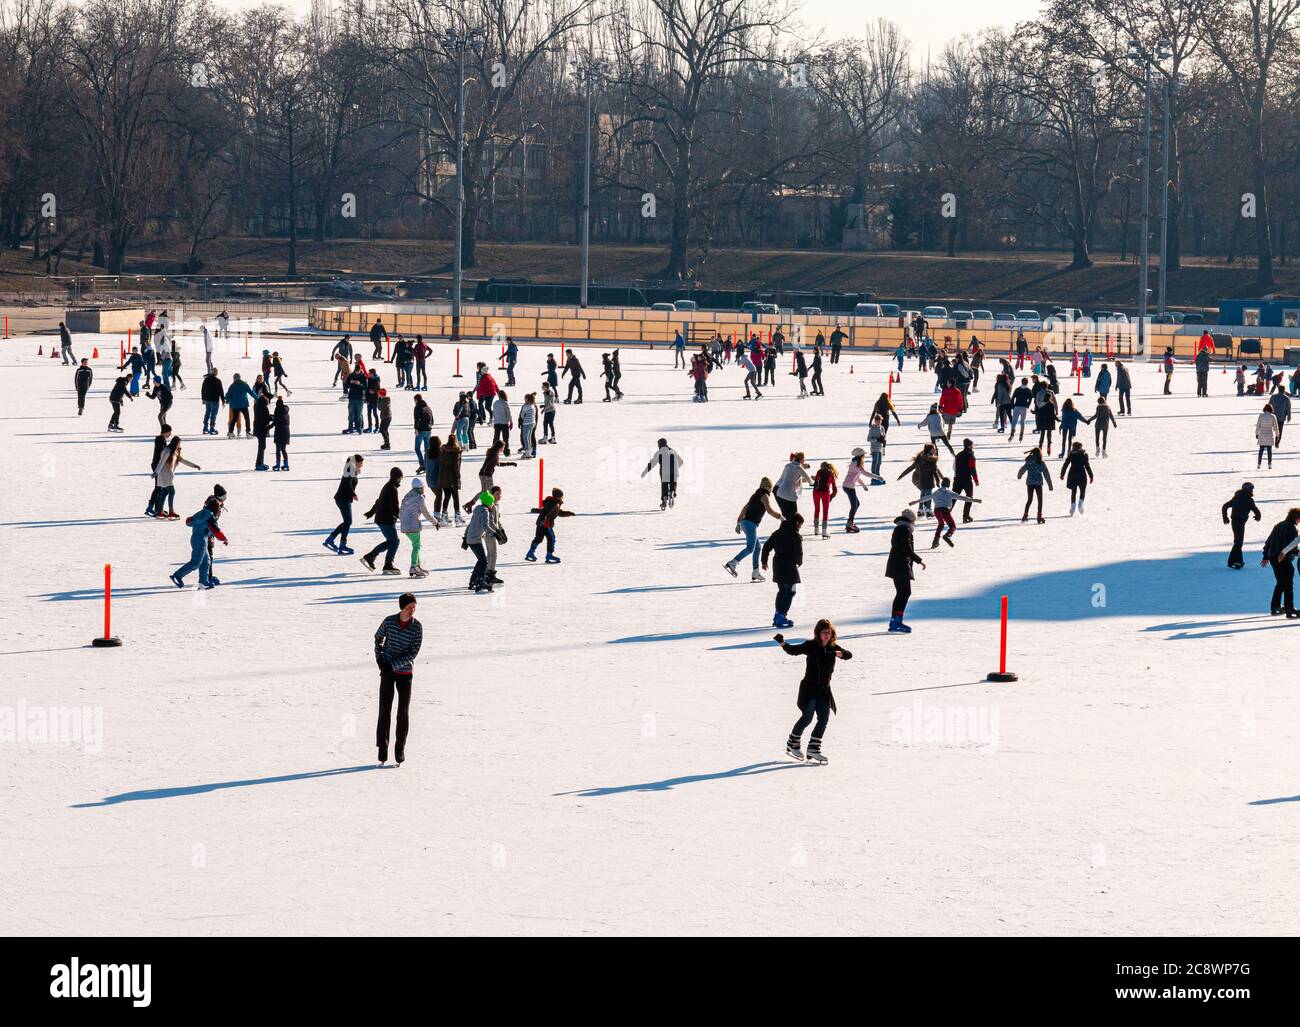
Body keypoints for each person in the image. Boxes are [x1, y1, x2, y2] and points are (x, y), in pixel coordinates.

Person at [775, 619, 852, 765]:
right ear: (818, 633)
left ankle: (813, 749)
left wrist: (841, 653)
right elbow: (794, 651)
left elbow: (849, 655)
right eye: (824, 632)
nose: (826, 635)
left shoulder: (833, 647)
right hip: (809, 689)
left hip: (824, 690)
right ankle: (793, 743)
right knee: (807, 717)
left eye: (829, 632)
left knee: (823, 718)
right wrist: (783, 643)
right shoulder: (811, 645)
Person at [374, 593, 423, 765]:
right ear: (402, 607)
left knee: (403, 712)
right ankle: (383, 746)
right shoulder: (388, 622)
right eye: (409, 607)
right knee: (384, 709)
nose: (412, 610)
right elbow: (378, 638)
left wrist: (392, 665)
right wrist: (379, 659)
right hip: (387, 672)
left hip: (404, 674)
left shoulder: (417, 627)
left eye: (414, 607)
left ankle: (400, 747)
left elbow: (413, 653)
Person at [726, 477, 783, 580]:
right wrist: (780, 517)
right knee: (750, 548)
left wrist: (739, 523)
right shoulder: (765, 496)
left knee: (757, 547)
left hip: (745, 523)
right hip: (750, 524)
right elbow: (769, 510)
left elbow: (745, 507)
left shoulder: (755, 495)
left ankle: (755, 572)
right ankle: (733, 563)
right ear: (768, 487)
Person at [170, 496, 227, 590]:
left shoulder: (201, 513)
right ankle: (177, 575)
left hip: (195, 538)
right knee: (196, 562)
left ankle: (203, 582)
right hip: (201, 540)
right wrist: (224, 538)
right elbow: (215, 530)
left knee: (206, 561)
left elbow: (188, 521)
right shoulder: (210, 517)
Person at [761, 513, 804, 629]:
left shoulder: (777, 533)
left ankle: (778, 616)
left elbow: (766, 547)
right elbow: (798, 552)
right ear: (797, 523)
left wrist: (764, 561)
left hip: (777, 564)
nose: (800, 527)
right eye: (800, 525)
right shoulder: (795, 536)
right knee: (790, 591)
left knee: (782, 591)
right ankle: (781, 616)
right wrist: (799, 562)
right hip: (789, 565)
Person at [885, 508, 924, 633]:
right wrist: (919, 560)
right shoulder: (904, 529)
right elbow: (906, 549)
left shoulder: (900, 528)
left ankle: (895, 621)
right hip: (900, 565)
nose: (915, 523)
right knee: (904, 592)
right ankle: (896, 621)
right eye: (914, 520)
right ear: (910, 519)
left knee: (902, 593)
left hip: (898, 565)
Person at [361, 467, 405, 575]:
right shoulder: (392, 489)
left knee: (391, 541)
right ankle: (388, 564)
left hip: (381, 519)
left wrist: (371, 512)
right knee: (395, 542)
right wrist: (403, 518)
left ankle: (370, 556)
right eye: (400, 478)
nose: (401, 480)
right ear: (397, 478)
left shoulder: (387, 486)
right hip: (386, 520)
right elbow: (394, 507)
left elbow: (378, 501)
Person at [1262, 508, 1300, 617]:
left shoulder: (1279, 525)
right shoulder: (1291, 528)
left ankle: (1275, 606)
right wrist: (1298, 554)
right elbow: (1291, 546)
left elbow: (1269, 541)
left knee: (1280, 583)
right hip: (1283, 559)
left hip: (1273, 558)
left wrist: (1265, 556)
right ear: (1297, 518)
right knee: (1288, 584)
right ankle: (1289, 609)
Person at [399, 477, 439, 578]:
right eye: (423, 488)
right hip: (412, 526)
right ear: (420, 488)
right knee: (416, 546)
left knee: (416, 545)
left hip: (404, 526)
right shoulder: (419, 498)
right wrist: (435, 522)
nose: (424, 489)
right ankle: (413, 566)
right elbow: (425, 513)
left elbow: (400, 512)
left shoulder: (407, 496)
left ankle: (417, 566)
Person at [324, 455, 364, 555]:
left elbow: (349, 483)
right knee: (348, 521)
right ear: (356, 462)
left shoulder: (351, 470)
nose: (362, 465)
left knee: (347, 522)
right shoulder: (350, 470)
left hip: (343, 499)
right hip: (343, 499)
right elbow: (347, 484)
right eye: (361, 463)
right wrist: (353, 494)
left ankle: (331, 539)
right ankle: (342, 545)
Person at [153, 437, 200, 519]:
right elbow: (161, 462)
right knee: (172, 491)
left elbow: (183, 460)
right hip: (164, 474)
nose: (179, 445)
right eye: (179, 443)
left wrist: (194, 466)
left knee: (164, 492)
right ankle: (171, 511)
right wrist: (156, 472)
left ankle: (159, 511)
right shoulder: (167, 451)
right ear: (175, 443)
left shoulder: (175, 452)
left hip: (168, 475)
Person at [465, 440, 516, 514]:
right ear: (500, 447)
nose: (503, 449)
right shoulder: (494, 454)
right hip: (486, 475)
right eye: (503, 447)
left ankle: (470, 504)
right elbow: (486, 463)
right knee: (492, 492)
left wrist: (511, 463)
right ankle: (493, 509)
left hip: (484, 474)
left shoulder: (495, 453)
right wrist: (485, 474)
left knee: (484, 492)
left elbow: (498, 464)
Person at [526, 487, 574, 563]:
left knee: (538, 538)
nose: (562, 498)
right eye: (562, 496)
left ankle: (530, 553)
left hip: (540, 523)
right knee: (551, 539)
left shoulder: (552, 502)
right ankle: (549, 555)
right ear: (559, 496)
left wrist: (569, 513)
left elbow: (559, 513)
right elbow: (547, 512)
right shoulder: (554, 503)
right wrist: (543, 519)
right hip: (546, 524)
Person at [464, 491, 499, 593]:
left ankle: (473, 581)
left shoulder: (478, 510)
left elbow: (470, 525)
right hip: (475, 540)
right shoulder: (485, 511)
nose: (493, 505)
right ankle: (480, 583)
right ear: (488, 503)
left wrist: (465, 538)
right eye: (492, 503)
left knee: (481, 560)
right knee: (484, 561)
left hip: (471, 538)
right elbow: (485, 526)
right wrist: (494, 533)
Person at [1222, 482, 1261, 570]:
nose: (1252, 490)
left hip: (1237, 522)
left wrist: (1258, 515)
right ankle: (1234, 561)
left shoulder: (1240, 498)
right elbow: (1225, 506)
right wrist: (1225, 517)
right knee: (1238, 542)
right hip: (1237, 521)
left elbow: (1255, 509)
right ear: (1247, 489)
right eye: (1251, 489)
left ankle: (1237, 561)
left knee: (1238, 541)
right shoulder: (1242, 498)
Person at [897, 444, 942, 517]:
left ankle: (920, 510)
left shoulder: (919, 458)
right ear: (930, 450)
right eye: (934, 449)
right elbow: (935, 472)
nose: (935, 450)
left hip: (921, 480)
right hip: (929, 481)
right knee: (929, 495)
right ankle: (928, 510)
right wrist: (938, 481)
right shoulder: (932, 459)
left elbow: (911, 468)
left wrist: (902, 475)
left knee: (922, 495)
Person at [641, 437, 684, 510]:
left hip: (664, 472)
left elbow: (652, 463)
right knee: (673, 483)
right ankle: (672, 492)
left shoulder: (659, 452)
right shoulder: (673, 450)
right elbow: (681, 461)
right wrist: (676, 468)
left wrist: (644, 472)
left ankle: (664, 499)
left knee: (664, 485)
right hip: (674, 471)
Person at [1017, 446, 1053, 523]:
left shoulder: (1029, 461)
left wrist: (1019, 475)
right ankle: (1039, 517)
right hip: (1038, 483)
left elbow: (1023, 468)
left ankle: (1025, 516)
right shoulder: (1041, 462)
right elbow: (1046, 474)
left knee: (1029, 499)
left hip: (1030, 483)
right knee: (1040, 500)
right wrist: (1050, 485)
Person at [774, 453, 812, 522]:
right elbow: (808, 479)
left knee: (786, 515)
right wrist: (813, 483)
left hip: (779, 491)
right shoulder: (799, 468)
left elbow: (791, 477)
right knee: (794, 516)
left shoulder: (788, 466)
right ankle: (791, 530)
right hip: (787, 493)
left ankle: (785, 530)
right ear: (801, 460)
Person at [1059, 441, 1094, 515]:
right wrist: (1091, 476)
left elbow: (1066, 464)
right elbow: (1087, 466)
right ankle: (1080, 503)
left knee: (1073, 492)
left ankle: (1073, 506)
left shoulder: (1071, 454)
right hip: (1082, 474)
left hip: (1073, 474)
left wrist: (1062, 474)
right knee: (1082, 491)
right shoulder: (1084, 455)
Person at [436, 437, 464, 525]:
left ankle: (444, 515)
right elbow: (456, 466)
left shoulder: (443, 451)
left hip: (444, 477)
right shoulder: (456, 452)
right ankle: (457, 516)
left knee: (447, 496)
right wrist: (458, 477)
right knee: (455, 496)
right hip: (452, 477)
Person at [952, 438, 979, 522]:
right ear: (970, 445)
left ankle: (946, 514)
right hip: (966, 480)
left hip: (957, 479)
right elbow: (972, 469)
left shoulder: (958, 455)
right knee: (969, 498)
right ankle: (966, 516)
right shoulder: (971, 455)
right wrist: (976, 480)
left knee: (953, 498)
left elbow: (954, 467)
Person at [810, 461, 838, 538]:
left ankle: (816, 529)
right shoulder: (831, 474)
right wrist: (831, 497)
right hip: (826, 493)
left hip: (816, 492)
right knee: (825, 512)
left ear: (822, 466)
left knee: (817, 509)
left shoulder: (819, 472)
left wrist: (814, 479)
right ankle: (824, 531)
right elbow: (835, 488)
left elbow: (817, 480)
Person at [224, 373, 256, 438]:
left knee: (234, 419)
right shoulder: (244, 384)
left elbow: (228, 395)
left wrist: (227, 400)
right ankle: (248, 432)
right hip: (243, 404)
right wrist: (257, 398)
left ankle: (230, 432)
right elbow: (251, 392)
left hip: (235, 405)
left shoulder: (232, 385)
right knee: (247, 418)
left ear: (234, 378)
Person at [1256, 403, 1280, 468]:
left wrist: (1256, 434)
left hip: (1262, 434)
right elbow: (1275, 427)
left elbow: (1258, 425)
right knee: (1269, 451)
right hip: (1269, 434)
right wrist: (1277, 435)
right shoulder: (1273, 416)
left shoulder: (1261, 416)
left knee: (1261, 450)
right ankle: (1269, 464)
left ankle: (1259, 464)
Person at [252, 390, 272, 470]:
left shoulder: (258, 405)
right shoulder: (263, 407)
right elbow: (265, 417)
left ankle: (260, 463)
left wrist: (272, 417)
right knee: (262, 447)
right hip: (261, 429)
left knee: (262, 446)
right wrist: (273, 420)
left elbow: (265, 416)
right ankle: (259, 464)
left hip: (258, 429)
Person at [272, 397, 291, 471]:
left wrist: (268, 427)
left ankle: (278, 464)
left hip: (279, 432)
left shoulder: (277, 410)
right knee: (283, 449)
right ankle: (286, 465)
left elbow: (275, 421)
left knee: (278, 449)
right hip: (286, 432)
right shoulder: (286, 412)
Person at [517, 392, 538, 458]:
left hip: (526, 423)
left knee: (525, 438)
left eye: (525, 398)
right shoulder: (533, 406)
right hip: (532, 423)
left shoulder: (526, 406)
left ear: (528, 399)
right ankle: (530, 450)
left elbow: (522, 416)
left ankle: (527, 452)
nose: (524, 400)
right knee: (529, 438)